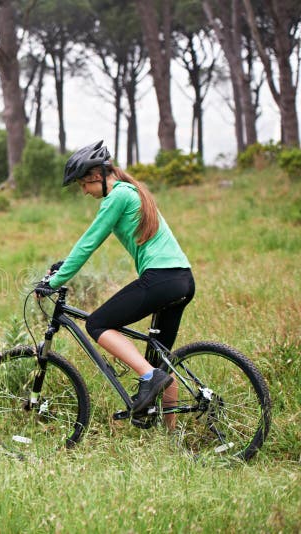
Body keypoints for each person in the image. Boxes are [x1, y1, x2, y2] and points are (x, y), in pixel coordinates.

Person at [35, 141, 194, 417]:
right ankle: (170, 441)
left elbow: (89, 243)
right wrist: (64, 267)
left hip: (162, 278)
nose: (84, 191)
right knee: (161, 364)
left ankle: (148, 377)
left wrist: (54, 281)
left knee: (97, 323)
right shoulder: (132, 192)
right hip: (182, 279)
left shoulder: (117, 196)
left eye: (83, 184)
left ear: (96, 176)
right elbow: (87, 248)